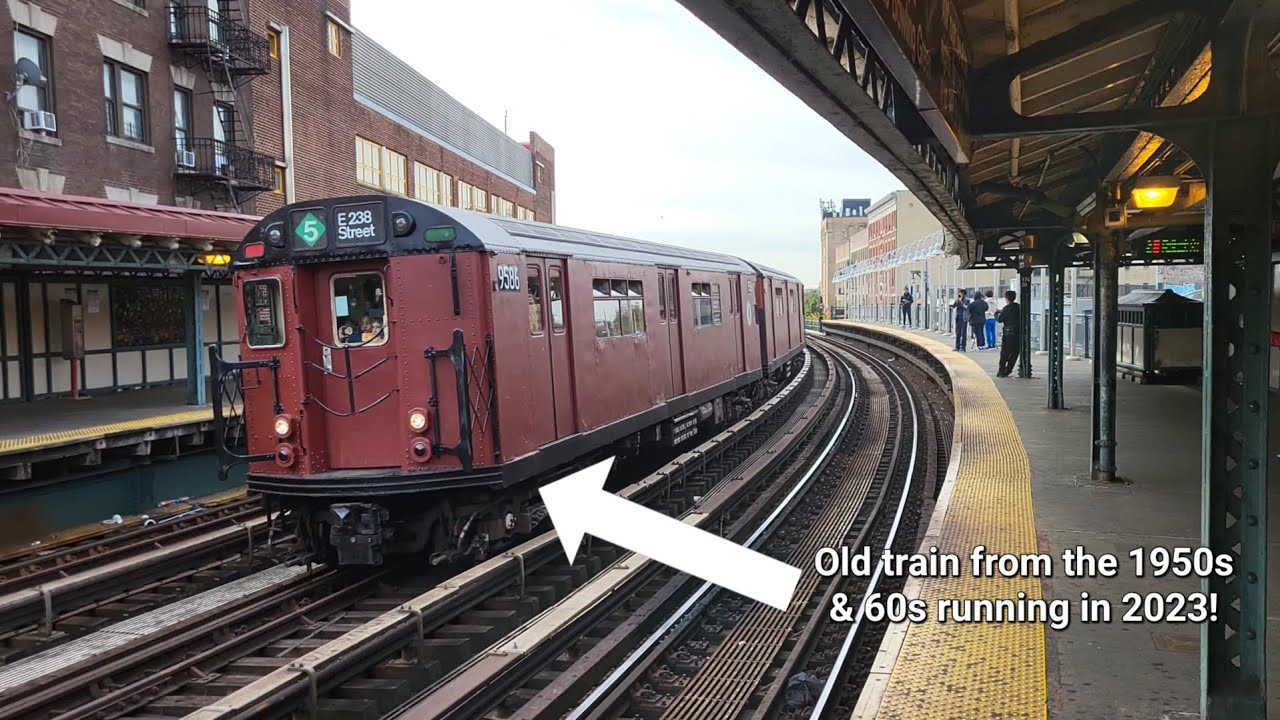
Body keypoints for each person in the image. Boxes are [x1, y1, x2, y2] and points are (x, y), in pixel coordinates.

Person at [996, 290, 1023, 377]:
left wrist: (997, 314)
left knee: (1004, 353)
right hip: (1018, 333)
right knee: (1015, 352)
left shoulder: (1006, 309)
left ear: (1006, 298)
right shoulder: (1019, 307)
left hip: (1008, 334)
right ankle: (1008, 369)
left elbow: (1000, 319)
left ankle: (1001, 371)